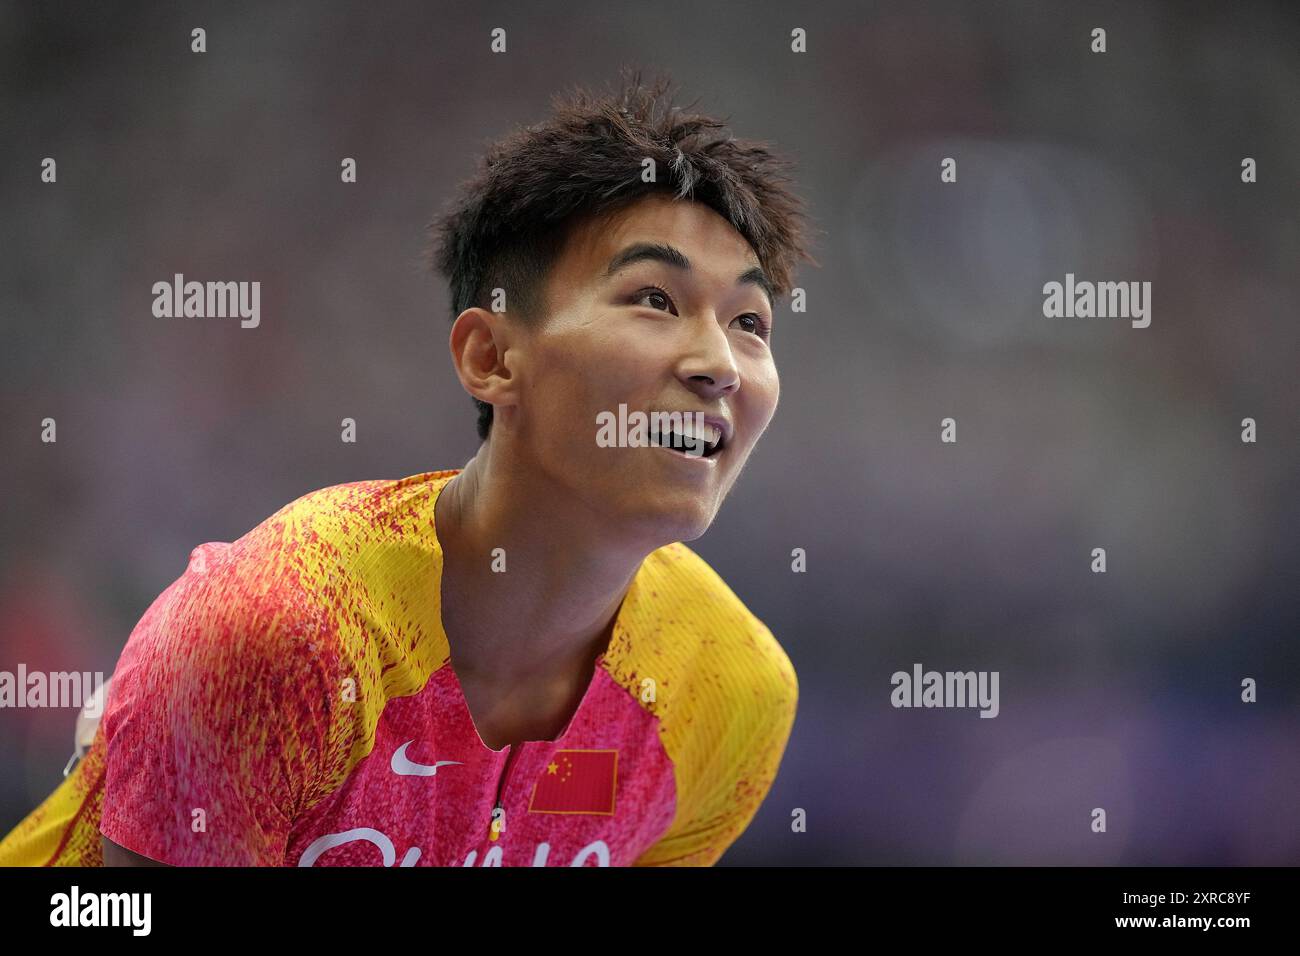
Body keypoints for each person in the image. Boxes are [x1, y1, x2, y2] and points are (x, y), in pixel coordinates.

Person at [0, 68, 817, 867]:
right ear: (491, 357)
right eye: (654, 300)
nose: (722, 364)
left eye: (751, 321)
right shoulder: (275, 636)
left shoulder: (731, 697)